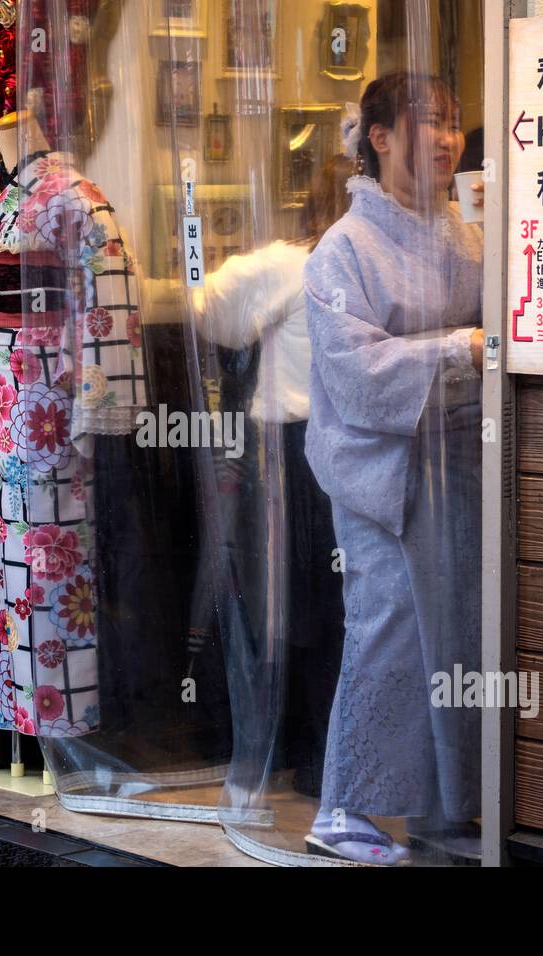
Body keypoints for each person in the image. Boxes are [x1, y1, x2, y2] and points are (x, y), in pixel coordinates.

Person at [302, 72, 484, 865]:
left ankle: (448, 800)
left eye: (452, 124)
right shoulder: (343, 247)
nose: (446, 139)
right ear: (379, 138)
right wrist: (461, 351)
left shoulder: (462, 232)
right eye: (427, 124)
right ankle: (345, 809)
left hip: (459, 465)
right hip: (381, 473)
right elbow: (356, 374)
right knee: (387, 630)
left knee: (456, 637)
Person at [188, 156, 354, 796]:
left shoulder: (315, 263)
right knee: (313, 605)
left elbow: (208, 304)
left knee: (315, 605)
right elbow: (206, 303)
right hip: (297, 449)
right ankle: (311, 750)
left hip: (323, 446)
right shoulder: (294, 263)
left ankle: (312, 750)